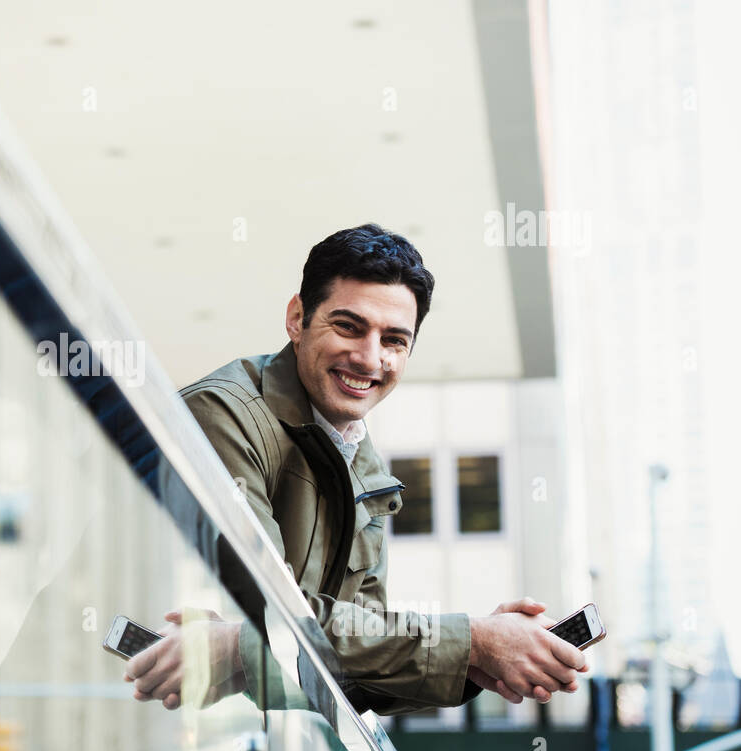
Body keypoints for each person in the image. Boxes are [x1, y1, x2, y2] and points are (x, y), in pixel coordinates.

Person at [124, 224, 589, 713]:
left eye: (393, 340)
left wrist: (477, 662)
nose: (369, 358)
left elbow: (346, 664)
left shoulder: (361, 461)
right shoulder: (221, 414)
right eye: (348, 326)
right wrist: (473, 640)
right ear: (297, 319)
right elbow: (278, 619)